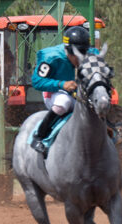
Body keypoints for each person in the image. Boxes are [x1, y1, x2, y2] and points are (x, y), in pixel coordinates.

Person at [29, 26, 91, 156]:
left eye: (84, 54)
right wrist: (61, 84)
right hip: (54, 92)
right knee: (64, 101)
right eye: (77, 56)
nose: (81, 60)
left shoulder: (90, 54)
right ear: (68, 51)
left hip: (77, 93)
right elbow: (36, 82)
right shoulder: (51, 58)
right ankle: (40, 136)